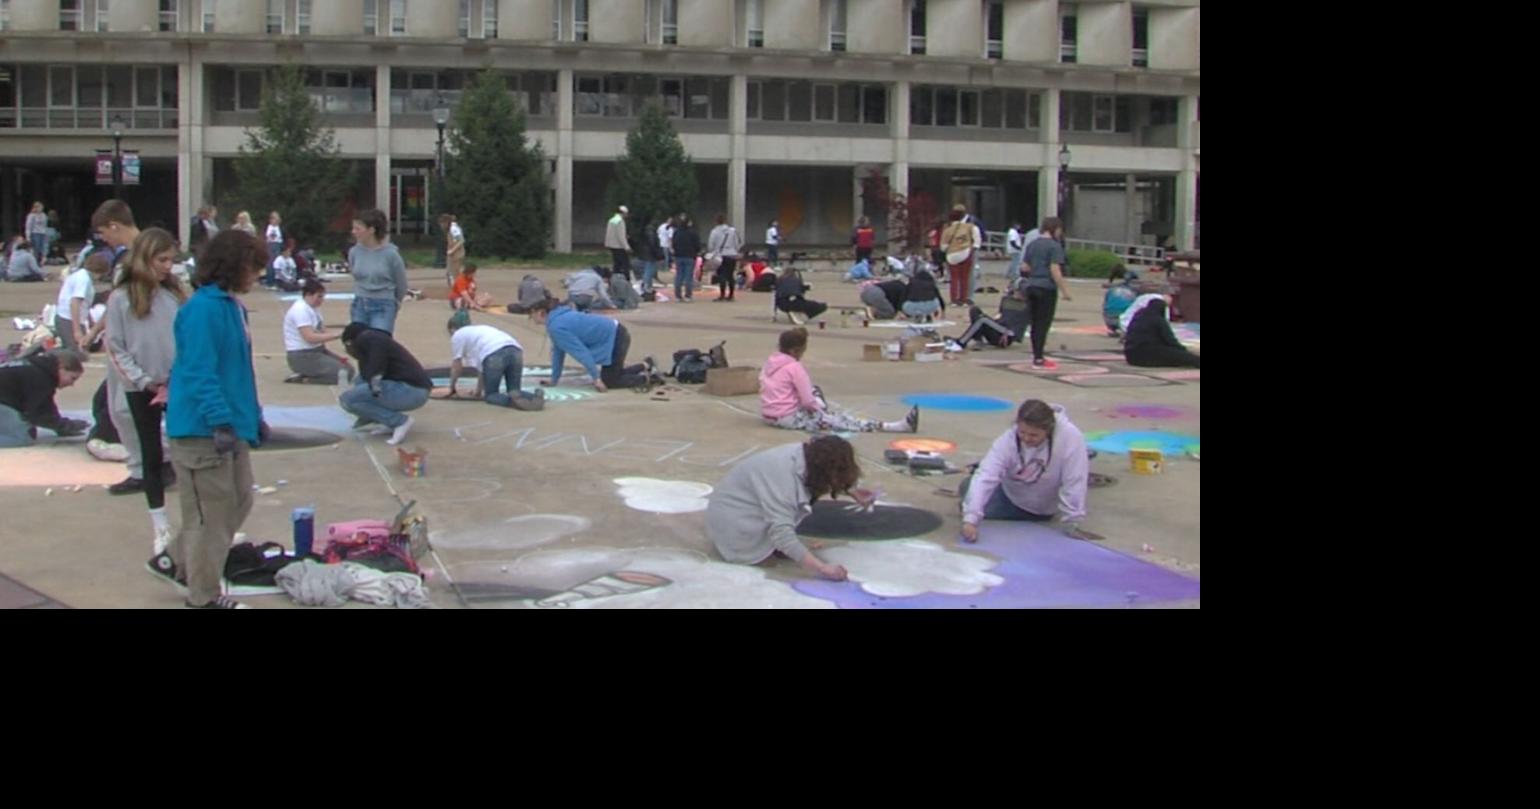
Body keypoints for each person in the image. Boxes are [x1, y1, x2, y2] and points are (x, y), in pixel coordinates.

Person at [151, 229, 272, 609]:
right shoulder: (202, 309)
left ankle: (175, 559)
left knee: (239, 501)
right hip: (204, 429)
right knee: (211, 518)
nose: (257, 276)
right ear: (234, 266)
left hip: (230, 423)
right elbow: (200, 371)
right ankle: (202, 597)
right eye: (253, 268)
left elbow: (237, 371)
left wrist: (253, 418)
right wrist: (220, 420)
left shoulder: (229, 306)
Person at [105, 227, 187, 554]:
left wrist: (176, 378)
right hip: (141, 387)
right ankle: (160, 525)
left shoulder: (175, 296)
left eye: (171, 260)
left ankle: (198, 524)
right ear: (144, 258)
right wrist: (143, 381)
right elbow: (115, 347)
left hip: (177, 384)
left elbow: (185, 339)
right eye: (161, 259)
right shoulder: (121, 298)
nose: (168, 266)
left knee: (189, 451)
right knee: (151, 454)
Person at [705, 435, 883, 581]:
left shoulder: (805, 457)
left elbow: (831, 472)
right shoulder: (783, 479)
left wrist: (852, 490)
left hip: (738, 510)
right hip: (734, 526)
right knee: (767, 560)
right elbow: (781, 531)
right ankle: (748, 548)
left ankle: (765, 547)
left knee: (788, 546)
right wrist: (821, 568)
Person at [92, 199, 161, 497]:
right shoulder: (138, 255)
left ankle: (150, 466)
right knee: (121, 409)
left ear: (115, 226)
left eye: (104, 233)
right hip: (129, 336)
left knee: (127, 408)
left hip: (136, 341)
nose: (104, 240)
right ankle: (146, 465)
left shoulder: (143, 256)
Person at [958, 399, 1090, 543]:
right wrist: (970, 520)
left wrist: (1072, 520)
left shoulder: (1070, 437)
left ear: (1049, 429)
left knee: (967, 492)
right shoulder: (1008, 439)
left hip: (1039, 506)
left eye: (1034, 435)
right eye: (1022, 432)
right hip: (1013, 494)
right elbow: (986, 474)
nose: (1026, 438)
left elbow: (1075, 479)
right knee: (970, 486)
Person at [761, 327, 919, 434]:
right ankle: (891, 427)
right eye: (803, 350)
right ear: (795, 350)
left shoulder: (771, 362)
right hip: (787, 417)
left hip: (770, 414)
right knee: (839, 420)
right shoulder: (794, 367)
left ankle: (824, 412)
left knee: (815, 392)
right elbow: (808, 402)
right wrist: (820, 409)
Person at [528, 297, 651, 393]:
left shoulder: (556, 326)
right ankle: (645, 365)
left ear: (541, 313)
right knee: (613, 373)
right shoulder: (557, 320)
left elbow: (581, 353)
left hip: (615, 337)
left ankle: (649, 378)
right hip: (615, 333)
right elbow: (558, 352)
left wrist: (596, 378)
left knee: (610, 380)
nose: (531, 318)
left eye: (532, 314)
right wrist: (554, 379)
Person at [339, 322, 432, 445]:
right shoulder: (376, 339)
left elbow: (376, 367)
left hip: (410, 391)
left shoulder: (368, 338)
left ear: (350, 342)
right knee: (359, 383)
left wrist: (374, 385)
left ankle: (399, 421)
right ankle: (389, 422)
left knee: (348, 399)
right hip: (416, 391)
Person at [440, 317, 546, 411]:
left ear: (452, 329)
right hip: (515, 350)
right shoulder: (478, 332)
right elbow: (482, 369)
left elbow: (456, 365)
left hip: (495, 353)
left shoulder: (458, 335)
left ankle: (512, 403)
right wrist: (478, 392)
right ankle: (534, 397)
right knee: (514, 390)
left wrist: (452, 387)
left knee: (492, 395)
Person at [0, 349, 88, 448]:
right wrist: (67, 425)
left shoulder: (38, 368)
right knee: (21, 437)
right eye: (72, 378)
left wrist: (62, 428)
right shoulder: (40, 377)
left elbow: (46, 406)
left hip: (5, 401)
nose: (72, 384)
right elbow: (37, 415)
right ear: (61, 368)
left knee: (27, 429)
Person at [1019, 216, 1073, 367]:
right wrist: (1065, 291)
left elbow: (1024, 266)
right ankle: (1039, 357)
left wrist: (1035, 269)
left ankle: (1036, 353)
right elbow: (1055, 269)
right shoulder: (1054, 247)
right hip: (1046, 287)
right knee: (1044, 323)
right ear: (1055, 229)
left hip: (1031, 286)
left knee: (1035, 323)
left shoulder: (1032, 245)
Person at [347, 208, 409, 334]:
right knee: (358, 343)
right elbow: (355, 275)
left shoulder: (391, 254)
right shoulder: (354, 252)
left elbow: (401, 284)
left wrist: (394, 303)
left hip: (383, 304)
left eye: (358, 229)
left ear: (371, 230)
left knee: (379, 343)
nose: (354, 232)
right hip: (360, 303)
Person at [283, 279, 354, 384]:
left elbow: (322, 331)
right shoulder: (300, 311)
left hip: (318, 351)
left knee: (349, 370)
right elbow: (310, 338)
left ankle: (310, 373)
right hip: (302, 355)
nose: (321, 300)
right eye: (319, 297)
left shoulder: (313, 309)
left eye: (322, 297)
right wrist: (338, 334)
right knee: (344, 374)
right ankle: (305, 379)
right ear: (308, 295)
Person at [1123, 297, 1200, 368]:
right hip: (1148, 355)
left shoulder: (1138, 317)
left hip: (1131, 357)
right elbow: (1170, 340)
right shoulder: (1158, 320)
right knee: (1184, 357)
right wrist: (1184, 351)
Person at [941, 204, 979, 305]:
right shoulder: (970, 226)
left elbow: (943, 246)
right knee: (965, 278)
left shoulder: (947, 229)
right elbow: (977, 239)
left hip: (952, 254)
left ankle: (954, 299)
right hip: (966, 251)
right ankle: (964, 299)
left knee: (954, 278)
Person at [947, 303, 1016, 351]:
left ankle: (961, 342)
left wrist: (1006, 332)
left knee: (982, 319)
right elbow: (1001, 315)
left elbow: (1015, 332)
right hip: (998, 327)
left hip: (1003, 336)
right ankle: (978, 340)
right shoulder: (1007, 300)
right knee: (974, 310)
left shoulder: (1022, 308)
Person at [706, 214, 743, 302]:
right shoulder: (733, 231)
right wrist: (735, 250)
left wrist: (713, 251)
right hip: (731, 254)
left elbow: (711, 245)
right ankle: (731, 295)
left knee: (721, 275)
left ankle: (722, 295)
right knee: (730, 275)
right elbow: (738, 242)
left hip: (720, 255)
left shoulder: (714, 231)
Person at [1102, 265, 1140, 336]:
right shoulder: (1134, 291)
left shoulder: (1112, 289)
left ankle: (1113, 329)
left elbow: (1105, 303)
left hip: (1109, 318)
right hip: (1125, 320)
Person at [671, 215, 700, 302]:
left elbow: (673, 244)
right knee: (688, 276)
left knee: (678, 276)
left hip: (679, 256)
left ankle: (678, 296)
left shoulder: (676, 232)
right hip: (690, 256)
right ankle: (688, 295)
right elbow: (697, 245)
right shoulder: (693, 233)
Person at [604, 204, 631, 281]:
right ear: (623, 213)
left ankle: (614, 278)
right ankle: (626, 279)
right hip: (619, 246)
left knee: (617, 264)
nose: (627, 215)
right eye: (626, 214)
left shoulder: (612, 220)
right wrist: (627, 247)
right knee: (625, 264)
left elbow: (611, 233)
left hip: (612, 245)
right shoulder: (620, 221)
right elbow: (620, 236)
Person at [638, 219, 663, 293]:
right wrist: (656, 252)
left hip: (646, 253)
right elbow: (652, 243)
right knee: (649, 270)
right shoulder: (651, 232)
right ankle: (646, 286)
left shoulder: (647, 231)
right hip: (650, 254)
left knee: (648, 270)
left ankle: (647, 285)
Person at [446, 214, 466, 287]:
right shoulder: (454, 228)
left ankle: (457, 286)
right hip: (455, 253)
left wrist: (452, 250)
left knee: (453, 271)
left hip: (455, 253)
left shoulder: (453, 228)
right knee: (453, 271)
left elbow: (461, 240)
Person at [264, 212, 284, 281]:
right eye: (274, 219)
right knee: (271, 263)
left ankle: (276, 279)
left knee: (277, 262)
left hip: (278, 245)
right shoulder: (270, 227)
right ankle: (270, 280)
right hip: (272, 245)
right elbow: (271, 237)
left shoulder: (278, 227)